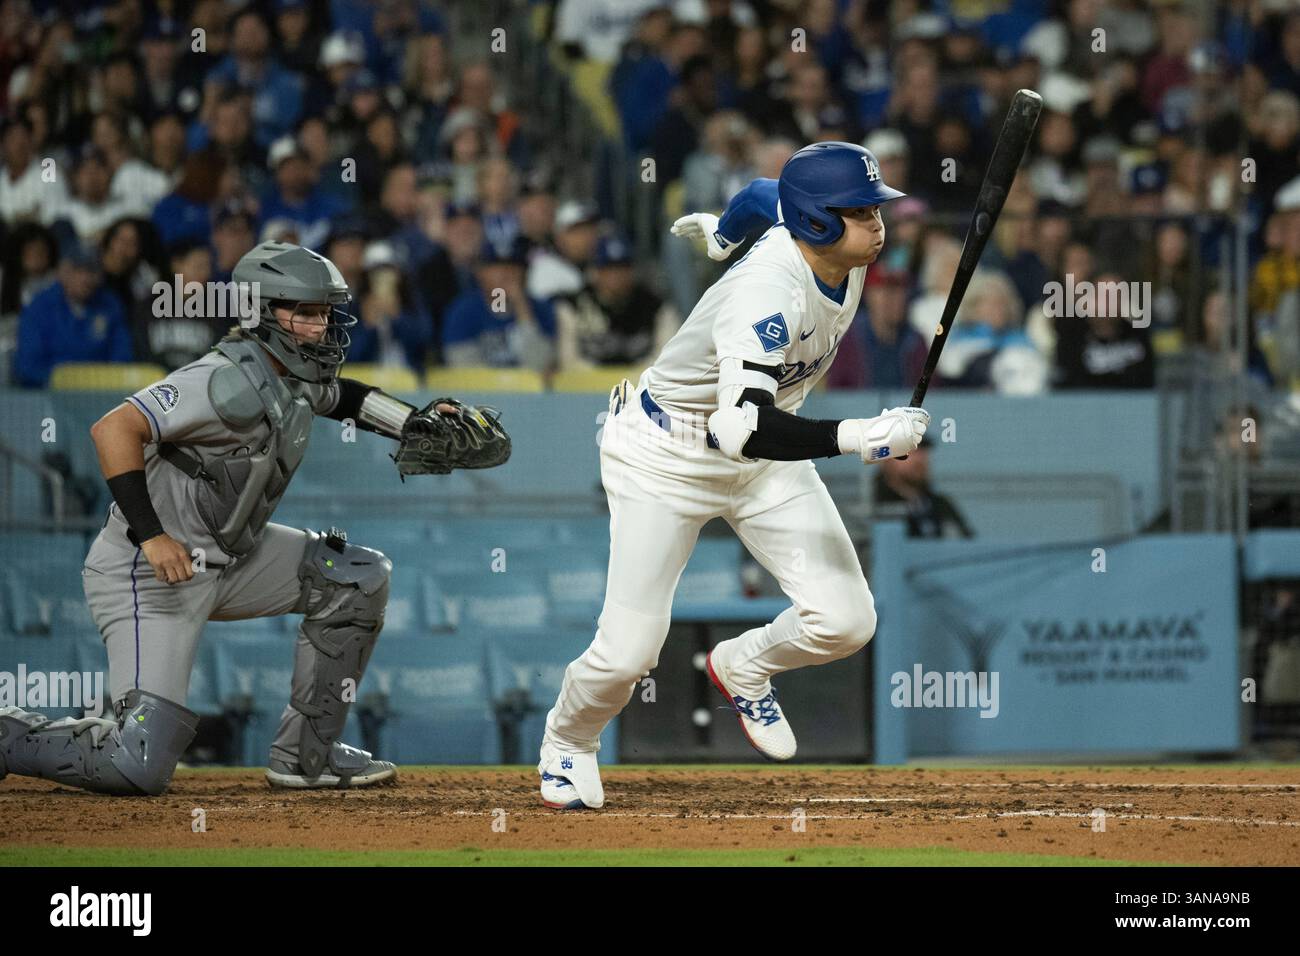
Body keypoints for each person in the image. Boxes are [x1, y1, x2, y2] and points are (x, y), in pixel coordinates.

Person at [0, 241, 510, 795]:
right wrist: (152, 536)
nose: (320, 326)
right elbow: (114, 429)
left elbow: (346, 399)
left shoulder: (291, 375)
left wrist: (413, 421)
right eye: (305, 312)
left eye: (324, 313)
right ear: (259, 312)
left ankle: (305, 758)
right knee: (136, 763)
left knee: (357, 578)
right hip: (149, 574)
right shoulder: (220, 378)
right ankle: (8, 735)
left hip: (228, 559)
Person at [538, 143, 928, 809]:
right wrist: (862, 437)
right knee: (630, 652)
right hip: (666, 453)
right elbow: (742, 425)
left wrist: (722, 235)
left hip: (763, 464)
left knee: (846, 621)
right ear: (817, 223)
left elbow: (758, 192)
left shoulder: (818, 231)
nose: (878, 224)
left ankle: (743, 665)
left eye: (876, 208)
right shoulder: (765, 293)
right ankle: (568, 743)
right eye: (860, 212)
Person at [12, 241, 131, 388]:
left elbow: (122, 358)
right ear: (62, 271)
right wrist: (67, 381)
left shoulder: (110, 305)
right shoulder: (39, 308)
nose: (86, 278)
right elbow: (28, 366)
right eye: (78, 269)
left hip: (100, 394)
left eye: (92, 270)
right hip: (50, 397)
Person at [873, 438, 973, 539]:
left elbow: (969, 545)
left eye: (923, 452)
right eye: (910, 452)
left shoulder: (941, 505)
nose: (919, 460)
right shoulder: (871, 505)